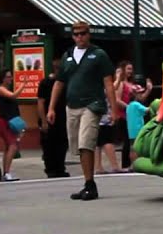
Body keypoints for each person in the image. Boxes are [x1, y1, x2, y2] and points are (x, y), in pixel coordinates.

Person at [46, 21, 115, 201]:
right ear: (72, 36)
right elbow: (59, 82)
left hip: (92, 104)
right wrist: (51, 107)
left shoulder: (98, 54)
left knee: (86, 143)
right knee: (77, 146)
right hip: (72, 105)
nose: (80, 37)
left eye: (83, 33)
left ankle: (90, 184)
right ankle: (87, 183)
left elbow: (108, 83)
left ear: (88, 34)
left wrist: (113, 109)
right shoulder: (68, 55)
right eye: (76, 34)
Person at [0, 67, 27, 182]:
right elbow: (13, 95)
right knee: (12, 145)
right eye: (8, 77)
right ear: (2, 78)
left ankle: (6, 172)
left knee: (9, 146)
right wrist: (23, 85)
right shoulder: (0, 89)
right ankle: (7, 172)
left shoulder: (5, 89)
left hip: (11, 120)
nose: (11, 79)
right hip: (5, 121)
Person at [36, 67, 69, 178]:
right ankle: (50, 169)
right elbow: (40, 102)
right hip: (48, 118)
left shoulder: (66, 83)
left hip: (62, 118)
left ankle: (60, 168)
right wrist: (43, 121)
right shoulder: (45, 83)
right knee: (48, 145)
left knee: (62, 144)